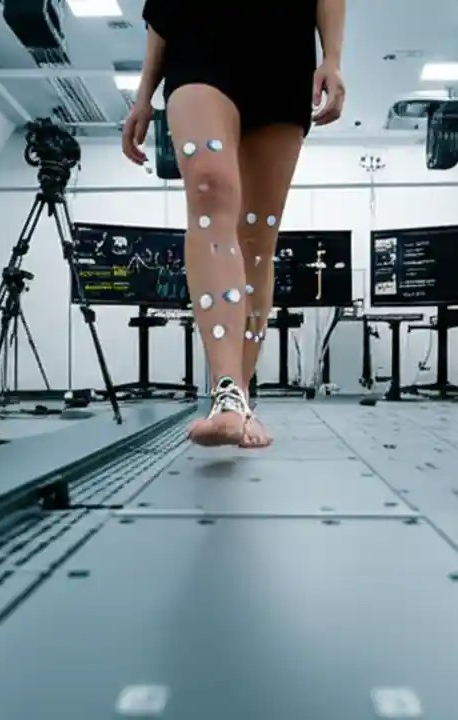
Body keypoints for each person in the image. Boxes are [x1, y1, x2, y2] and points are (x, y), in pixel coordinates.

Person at [121, 0, 347, 449]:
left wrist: (333, 59)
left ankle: (241, 397)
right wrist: (144, 94)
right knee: (208, 188)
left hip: (283, 49)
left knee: (258, 235)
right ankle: (225, 394)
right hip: (198, 41)